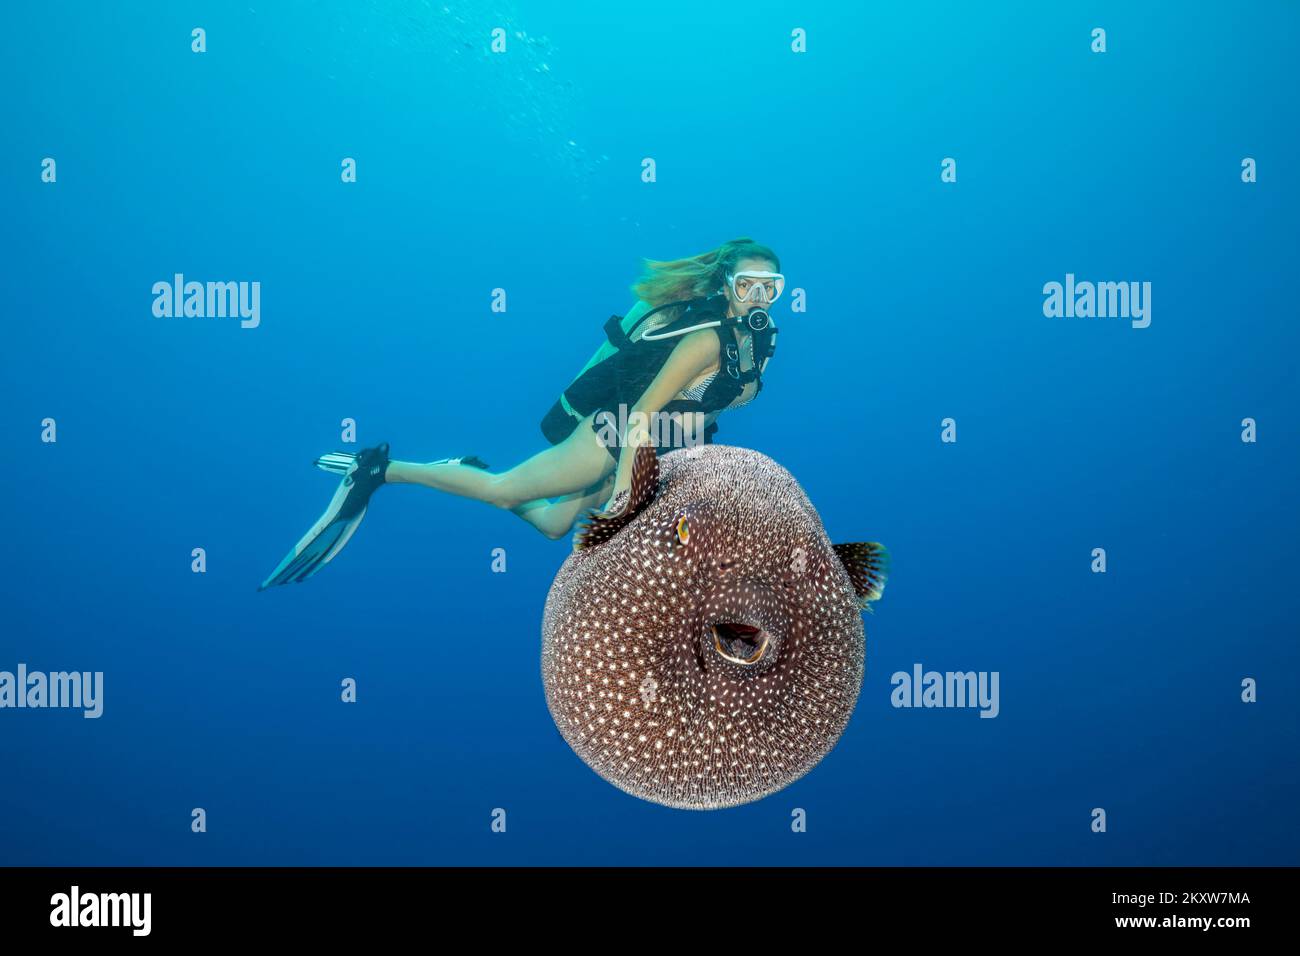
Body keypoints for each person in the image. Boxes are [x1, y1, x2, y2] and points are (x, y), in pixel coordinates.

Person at [258, 237, 783, 589]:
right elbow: (643, 417)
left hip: (657, 444)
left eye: (770, 288)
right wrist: (626, 504)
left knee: (555, 524)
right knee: (505, 492)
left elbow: (696, 417)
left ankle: (468, 468)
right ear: (724, 286)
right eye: (747, 285)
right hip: (616, 434)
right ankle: (378, 469)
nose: (758, 296)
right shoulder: (707, 341)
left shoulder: (756, 345)